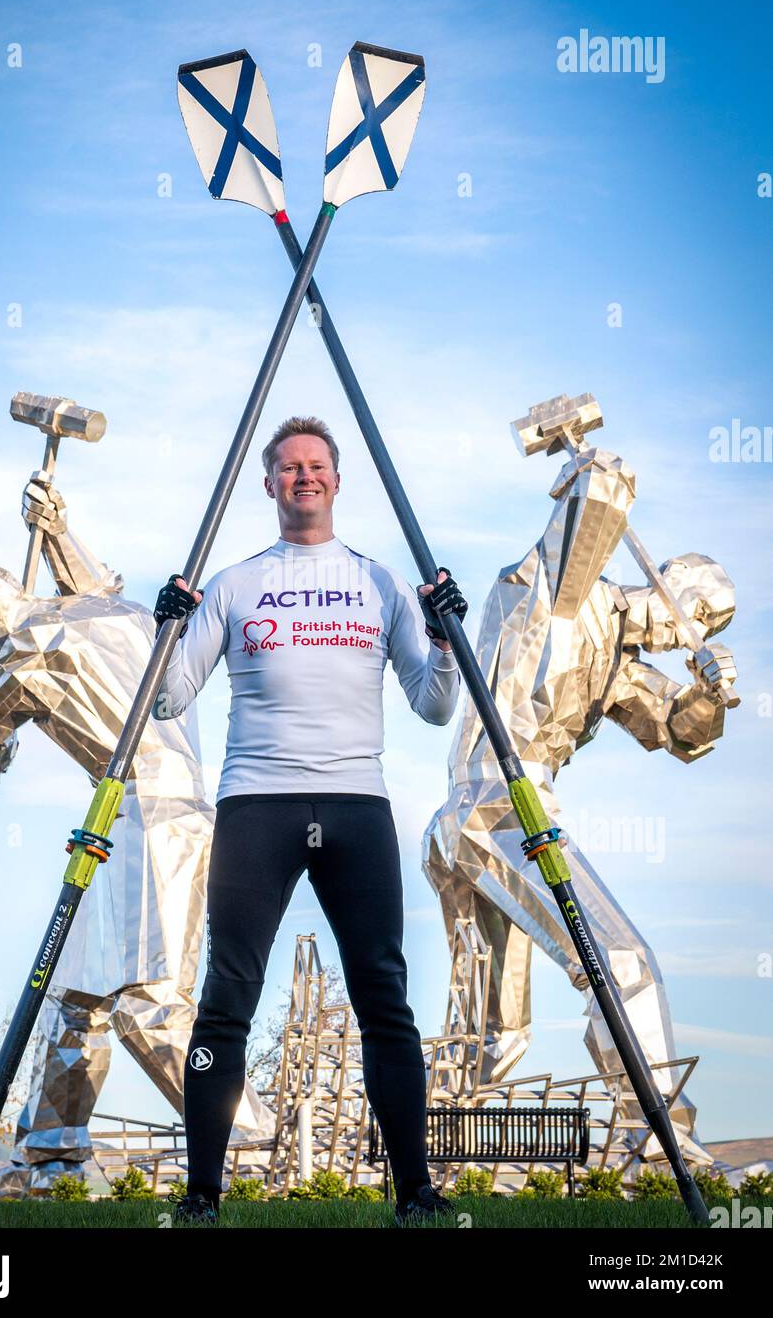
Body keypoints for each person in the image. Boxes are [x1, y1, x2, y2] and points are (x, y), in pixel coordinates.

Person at [153, 414, 468, 1226]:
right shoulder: (233, 583)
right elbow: (166, 698)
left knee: (382, 997)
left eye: (315, 465)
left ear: (336, 478)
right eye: (288, 467)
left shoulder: (380, 582)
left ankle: (414, 1193)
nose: (303, 477)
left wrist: (441, 638)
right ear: (268, 485)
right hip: (256, 803)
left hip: (357, 804)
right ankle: (201, 1196)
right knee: (227, 997)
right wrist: (168, 627)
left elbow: (434, 708)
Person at [0, 474, 274, 1197]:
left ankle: (253, 1148)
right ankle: (51, 1162)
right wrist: (57, 528)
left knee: (148, 1002)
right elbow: (92, 578)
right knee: (72, 999)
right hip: (134, 817)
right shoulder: (107, 608)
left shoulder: (23, 651)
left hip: (150, 812)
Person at [423, 438, 737, 1168]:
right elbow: (587, 517)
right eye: (693, 613)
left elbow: (676, 733)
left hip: (473, 825)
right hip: (498, 803)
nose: (686, 632)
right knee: (620, 961)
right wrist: (599, 466)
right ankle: (654, 1142)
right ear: (662, 583)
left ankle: (457, 1169)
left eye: (707, 627)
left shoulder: (620, 664)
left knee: (494, 1029)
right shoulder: (564, 593)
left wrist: (710, 697)